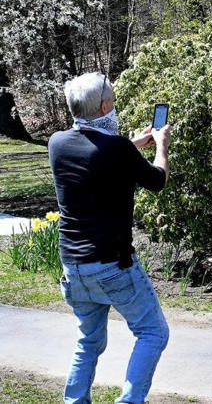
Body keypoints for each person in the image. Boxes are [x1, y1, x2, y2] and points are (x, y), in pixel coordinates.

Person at [50, 72, 171, 403]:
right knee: (153, 332)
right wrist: (160, 145)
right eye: (113, 101)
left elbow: (95, 157)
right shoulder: (117, 150)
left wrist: (132, 145)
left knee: (88, 341)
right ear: (104, 106)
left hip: (74, 268)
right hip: (112, 266)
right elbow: (157, 180)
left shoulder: (57, 144)